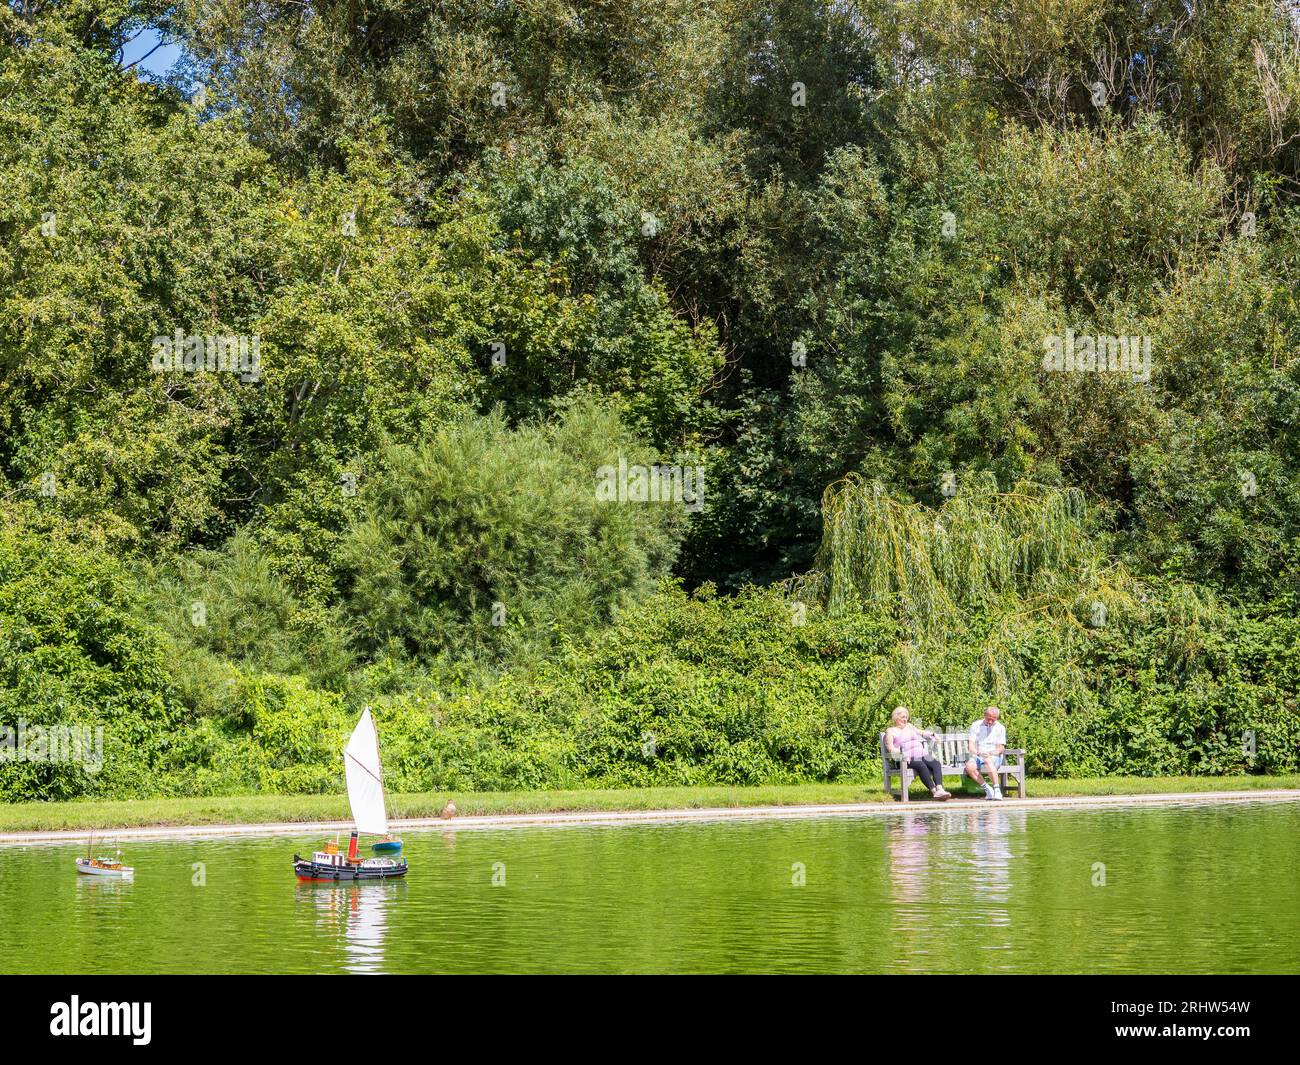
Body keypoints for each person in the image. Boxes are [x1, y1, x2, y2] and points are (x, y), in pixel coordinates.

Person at [886, 706, 951, 800]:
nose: (905, 719)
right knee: (921, 765)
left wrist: (933, 734)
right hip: (905, 758)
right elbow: (890, 749)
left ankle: (940, 789)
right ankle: (934, 792)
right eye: (903, 717)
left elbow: (921, 732)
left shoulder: (910, 726)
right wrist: (903, 754)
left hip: (921, 754)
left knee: (936, 763)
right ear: (896, 718)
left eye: (906, 717)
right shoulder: (891, 731)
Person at [965, 705, 1007, 800]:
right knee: (969, 766)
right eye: (989, 719)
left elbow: (1001, 748)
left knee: (988, 760)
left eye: (993, 719)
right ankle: (987, 789)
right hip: (979, 755)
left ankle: (997, 790)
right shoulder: (976, 725)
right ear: (985, 715)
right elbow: (970, 745)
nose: (990, 721)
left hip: (994, 756)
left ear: (997, 718)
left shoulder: (1000, 727)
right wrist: (977, 752)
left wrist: (991, 753)